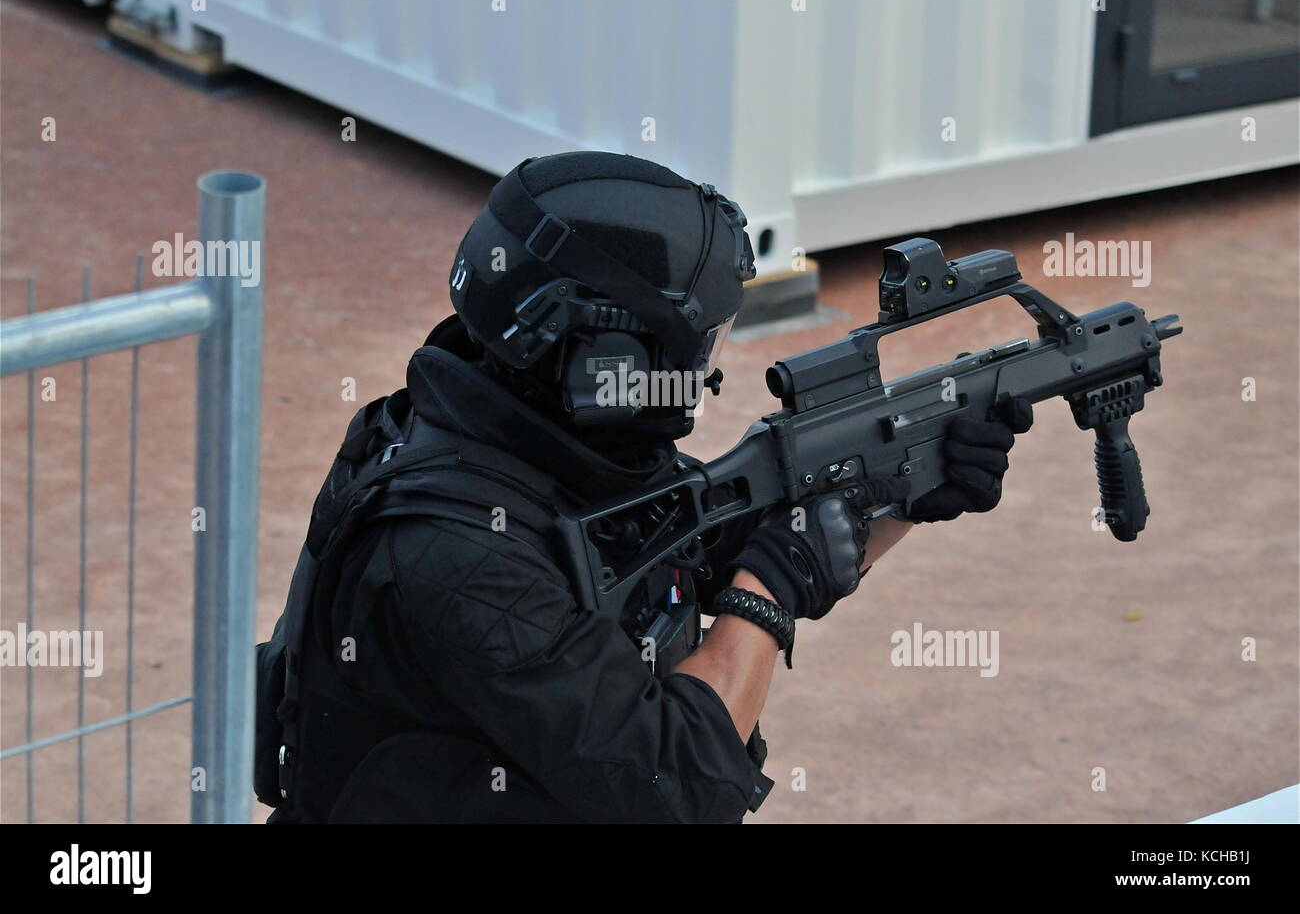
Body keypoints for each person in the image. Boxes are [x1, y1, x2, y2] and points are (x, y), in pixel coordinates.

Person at [254, 151, 1032, 823]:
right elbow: (681, 785)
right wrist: (768, 586)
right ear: (605, 361)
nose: (704, 375)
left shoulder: (516, 429)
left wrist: (899, 490)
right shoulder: (458, 558)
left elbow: (711, 543)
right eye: (690, 351)